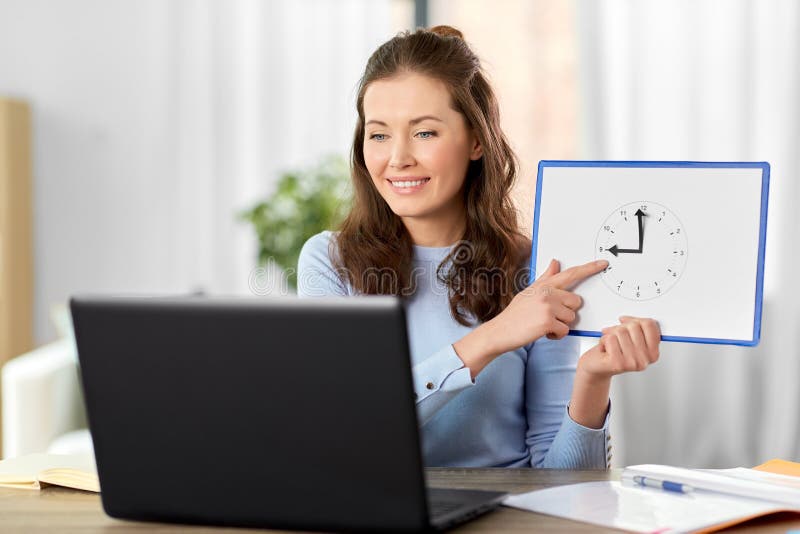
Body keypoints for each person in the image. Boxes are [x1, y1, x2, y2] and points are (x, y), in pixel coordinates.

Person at [297, 25, 660, 468]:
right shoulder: (330, 262)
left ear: (475, 140)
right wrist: (493, 336)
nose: (397, 158)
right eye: (379, 135)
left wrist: (592, 380)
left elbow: (563, 483)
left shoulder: (535, 272)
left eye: (424, 133)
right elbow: (346, 434)